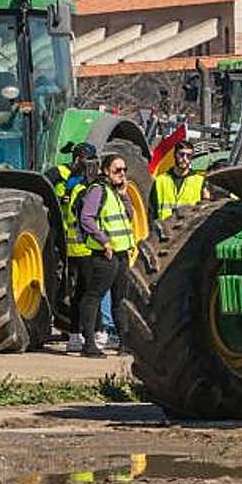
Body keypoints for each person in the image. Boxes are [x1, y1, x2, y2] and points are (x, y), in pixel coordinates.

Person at [74, 153, 135, 358]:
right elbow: (87, 218)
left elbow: (129, 216)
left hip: (121, 253)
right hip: (105, 254)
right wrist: (104, 241)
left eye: (124, 170)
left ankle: (124, 343)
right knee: (94, 296)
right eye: (118, 170)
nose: (122, 174)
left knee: (120, 299)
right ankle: (89, 343)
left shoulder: (116, 192)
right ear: (106, 171)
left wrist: (125, 194)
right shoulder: (98, 190)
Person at [46, 143, 97, 353]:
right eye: (86, 160)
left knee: (87, 291)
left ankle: (90, 331)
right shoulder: (58, 173)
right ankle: (73, 330)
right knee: (71, 289)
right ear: (78, 159)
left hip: (84, 246)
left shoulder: (89, 183)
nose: (89, 165)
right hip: (62, 239)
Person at [150, 140, 209, 223]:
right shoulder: (160, 180)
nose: (184, 159)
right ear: (175, 155)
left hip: (187, 231)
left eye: (188, 156)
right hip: (164, 229)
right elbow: (152, 211)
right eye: (181, 154)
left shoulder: (200, 180)